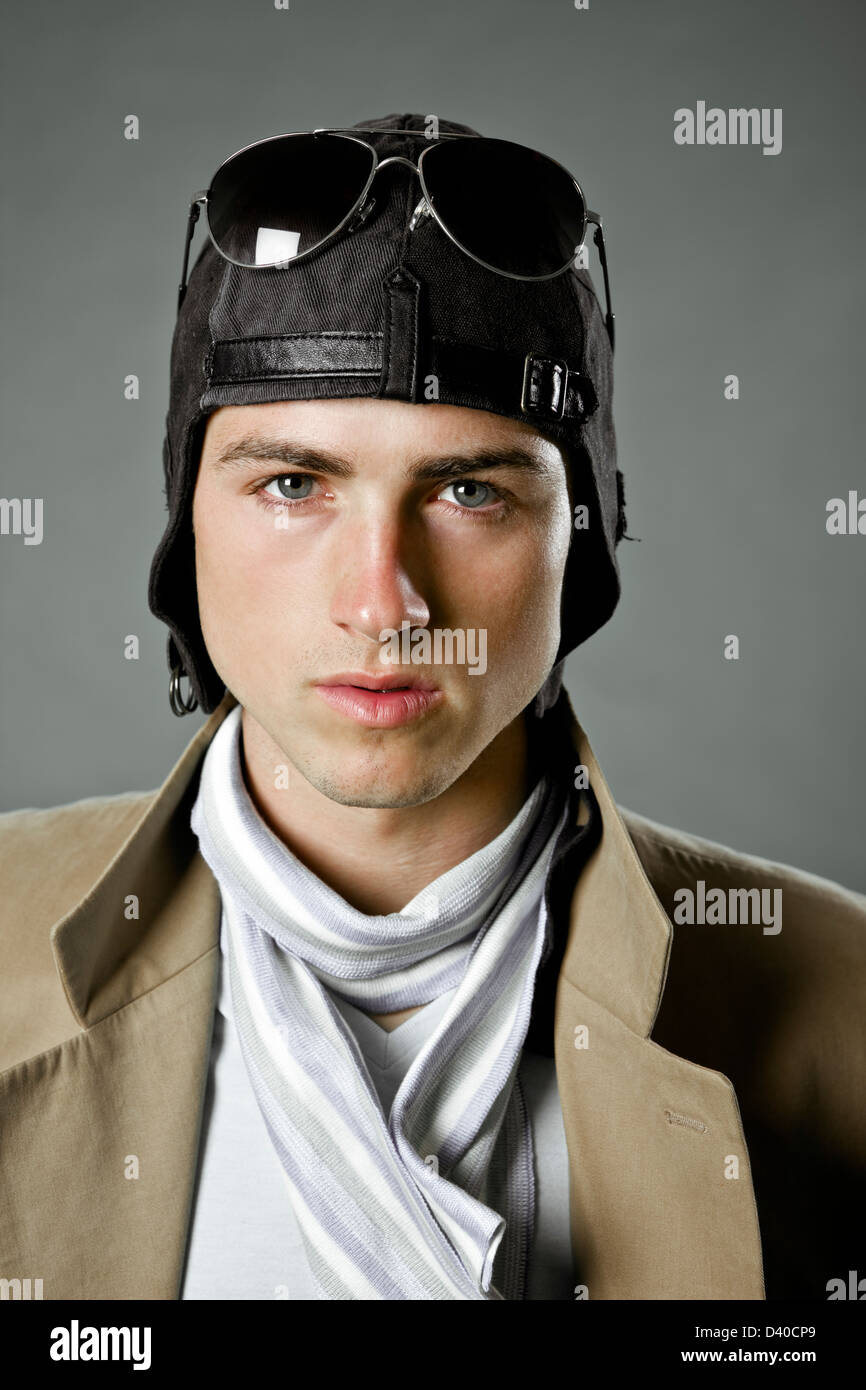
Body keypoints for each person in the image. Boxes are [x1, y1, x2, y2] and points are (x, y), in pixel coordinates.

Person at [0, 112, 863, 1302]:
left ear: (581, 538)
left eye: (467, 491)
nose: (381, 601)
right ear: (187, 520)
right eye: (293, 485)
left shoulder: (836, 999)